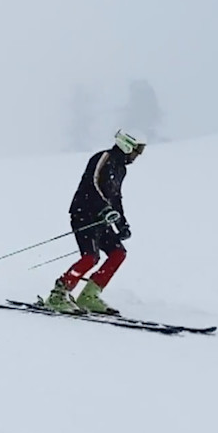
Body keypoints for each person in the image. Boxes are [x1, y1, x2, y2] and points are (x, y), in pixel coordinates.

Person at [42, 130, 146, 315]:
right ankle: (57, 295)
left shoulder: (121, 169)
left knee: (118, 253)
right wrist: (104, 209)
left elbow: (115, 197)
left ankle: (89, 296)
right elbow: (94, 185)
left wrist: (122, 224)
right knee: (90, 257)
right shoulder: (104, 158)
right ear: (127, 145)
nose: (138, 155)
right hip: (84, 214)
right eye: (137, 150)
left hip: (101, 219)